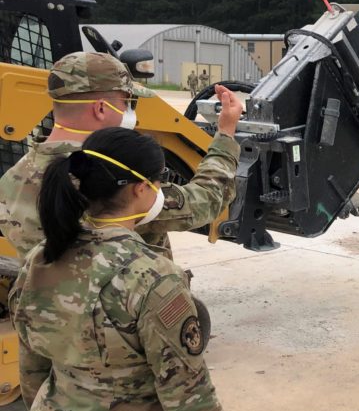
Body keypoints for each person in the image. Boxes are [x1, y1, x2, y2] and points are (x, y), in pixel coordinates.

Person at [10, 127, 263, 411]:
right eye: (161, 183)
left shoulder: (42, 257)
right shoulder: (150, 276)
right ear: (144, 190)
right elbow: (186, 394)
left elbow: (33, 362)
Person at [0, 51, 243, 260]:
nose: (131, 111)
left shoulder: (13, 177)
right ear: (101, 108)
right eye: (128, 102)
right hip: (121, 311)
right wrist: (225, 134)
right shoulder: (111, 179)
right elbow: (208, 199)